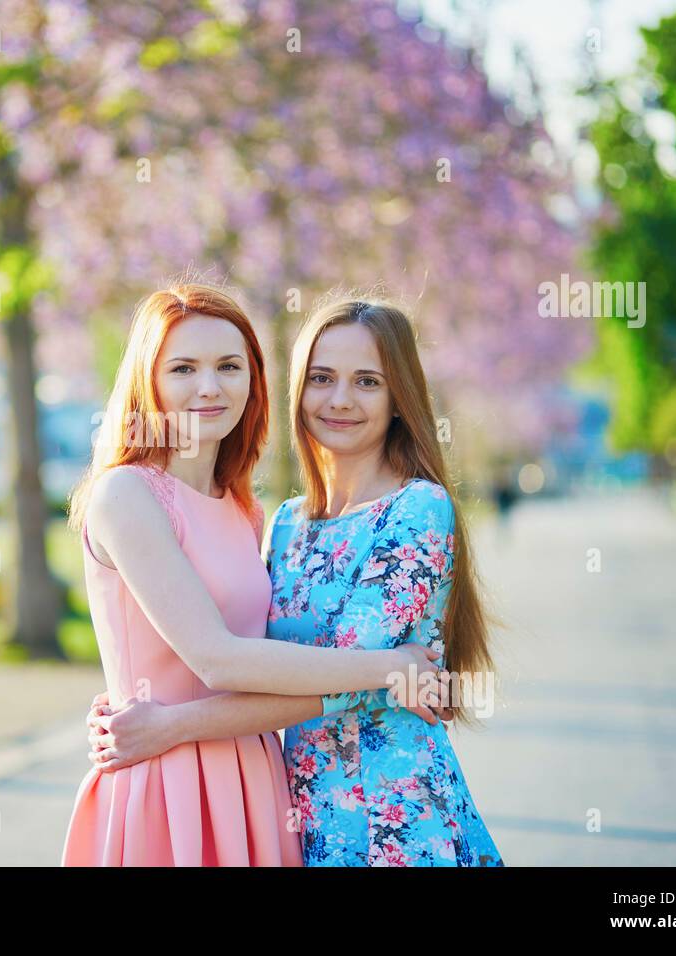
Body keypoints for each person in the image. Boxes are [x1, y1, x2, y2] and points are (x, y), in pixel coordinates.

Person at [88, 292, 503, 867]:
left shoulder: (416, 510)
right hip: (296, 804)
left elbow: (336, 679)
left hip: (393, 813)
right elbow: (234, 657)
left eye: (367, 382)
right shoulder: (284, 522)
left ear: (400, 397)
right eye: (322, 377)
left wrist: (169, 724)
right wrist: (397, 669)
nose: (339, 400)